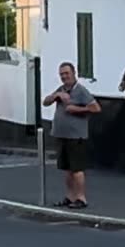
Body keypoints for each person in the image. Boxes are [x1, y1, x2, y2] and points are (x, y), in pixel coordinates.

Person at [45, 60, 100, 209]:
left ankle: (81, 198)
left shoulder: (81, 90)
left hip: (76, 136)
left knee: (77, 169)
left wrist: (76, 109)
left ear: (74, 73)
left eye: (67, 73)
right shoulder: (61, 90)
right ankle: (70, 197)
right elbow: (45, 102)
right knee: (67, 169)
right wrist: (57, 95)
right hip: (62, 134)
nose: (64, 76)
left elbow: (95, 108)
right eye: (62, 74)